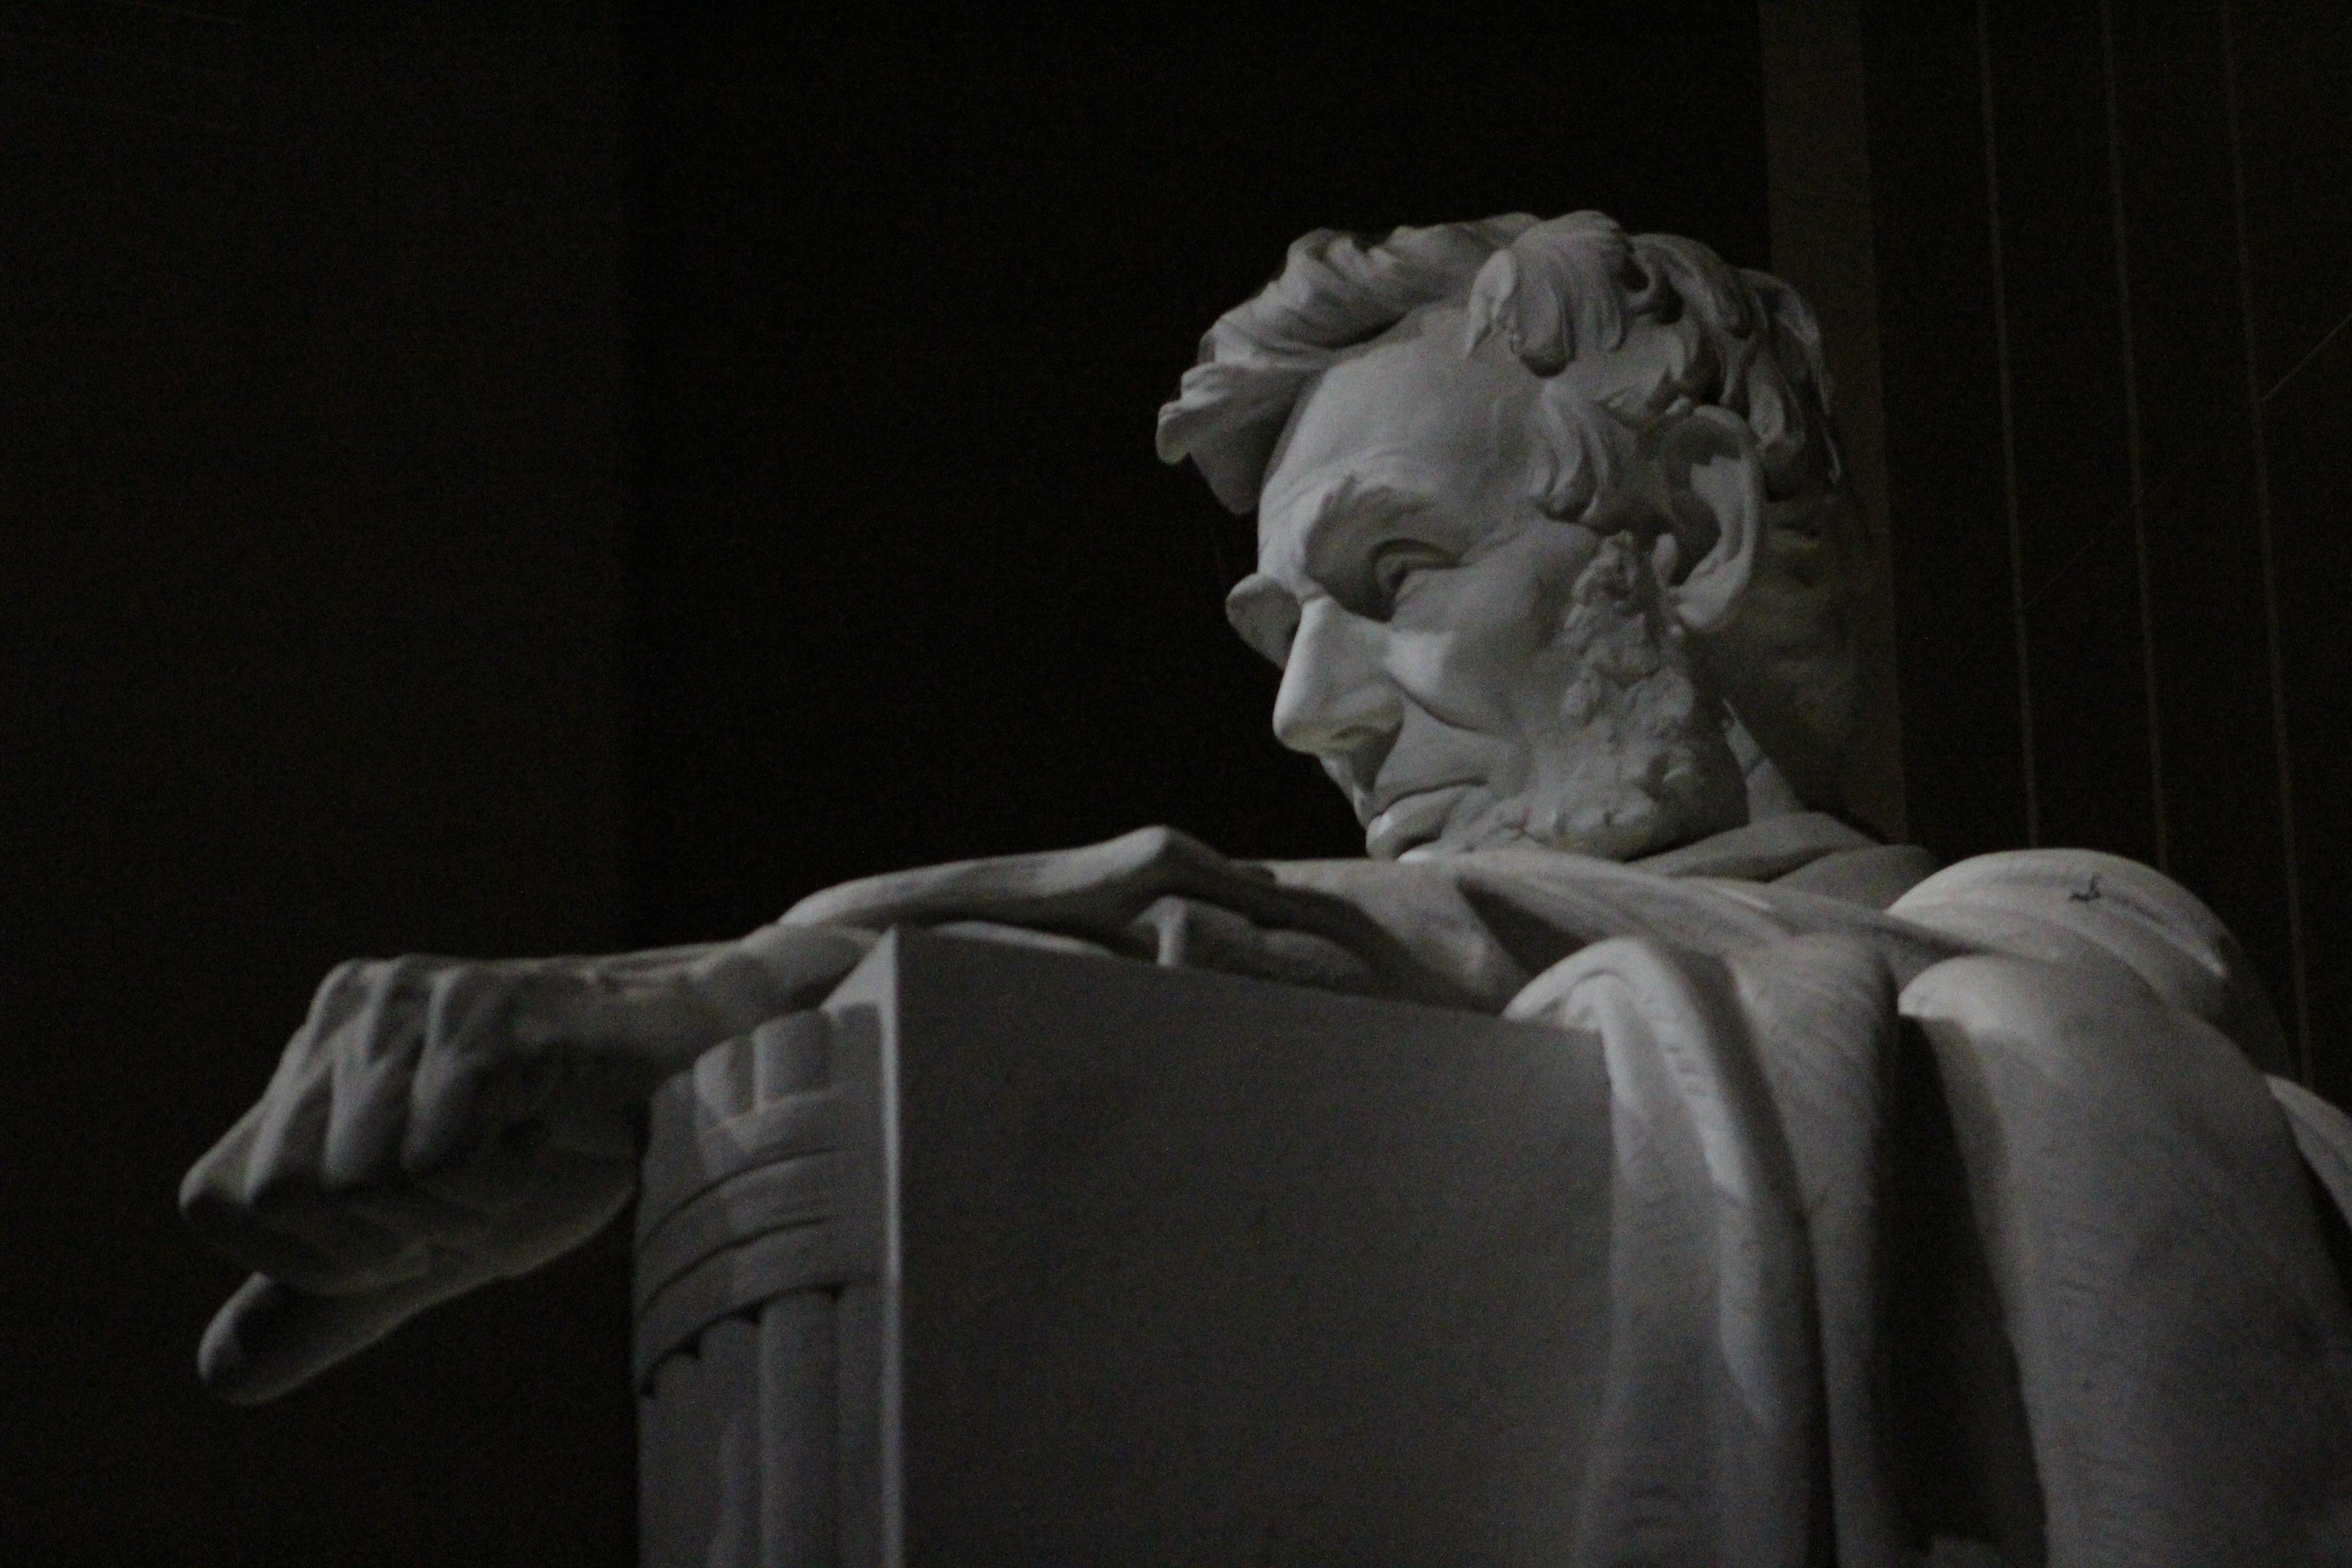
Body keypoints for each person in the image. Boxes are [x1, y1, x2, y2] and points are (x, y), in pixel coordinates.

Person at [183, 212, 2352, 1565]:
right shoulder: (1323, 1036)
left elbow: (1841, 972)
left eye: (1392, 579)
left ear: (1682, 532)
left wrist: (780, 973)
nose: (1314, 711)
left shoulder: (2071, 952)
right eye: (1276, 634)